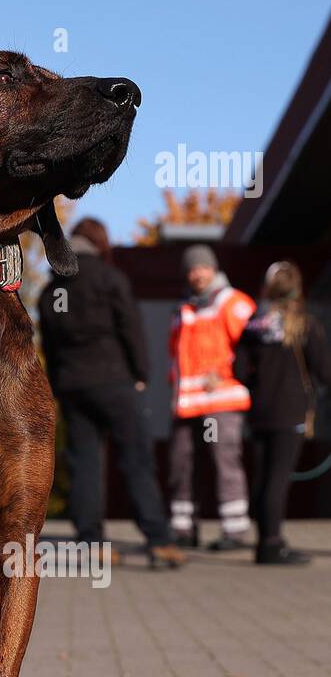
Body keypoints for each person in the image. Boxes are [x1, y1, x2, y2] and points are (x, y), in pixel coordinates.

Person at [38, 217, 183, 569]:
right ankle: (158, 541)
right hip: (115, 381)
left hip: (73, 387)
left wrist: (60, 386)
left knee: (84, 464)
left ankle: (92, 545)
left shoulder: (49, 292)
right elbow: (131, 328)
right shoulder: (109, 278)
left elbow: (50, 346)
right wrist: (140, 375)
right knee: (137, 459)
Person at [234, 261, 330, 565]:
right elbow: (325, 371)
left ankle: (265, 539)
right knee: (278, 478)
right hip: (290, 412)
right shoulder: (305, 324)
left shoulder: (254, 324)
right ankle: (272, 545)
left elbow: (238, 368)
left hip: (259, 411)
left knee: (264, 477)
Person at [167, 244, 256, 549]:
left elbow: (252, 346)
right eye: (191, 269)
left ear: (214, 269)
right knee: (180, 464)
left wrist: (227, 372)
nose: (197, 274)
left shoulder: (232, 302)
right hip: (187, 403)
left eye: (202, 267)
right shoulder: (184, 307)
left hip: (221, 401)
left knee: (225, 463)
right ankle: (183, 529)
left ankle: (235, 531)